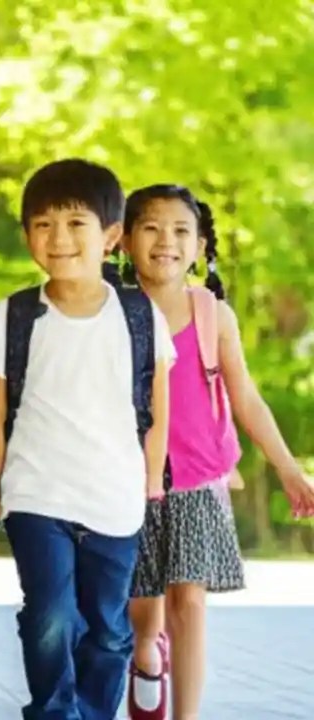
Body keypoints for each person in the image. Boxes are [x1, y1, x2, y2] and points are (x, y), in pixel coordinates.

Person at [0, 159, 175, 720]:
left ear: (111, 236)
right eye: (42, 224)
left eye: (75, 223)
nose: (58, 238)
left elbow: (158, 404)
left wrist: (151, 480)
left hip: (115, 497)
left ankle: (90, 711)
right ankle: (55, 711)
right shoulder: (13, 315)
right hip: (36, 493)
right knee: (51, 612)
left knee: (109, 627)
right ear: (27, 237)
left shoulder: (139, 314)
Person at [116, 184, 314, 720]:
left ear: (201, 245)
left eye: (182, 231)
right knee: (140, 602)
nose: (167, 241)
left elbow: (245, 397)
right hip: (124, 480)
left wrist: (288, 468)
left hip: (198, 477)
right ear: (126, 240)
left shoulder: (211, 314)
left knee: (189, 602)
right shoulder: (111, 311)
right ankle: (145, 654)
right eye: (152, 228)